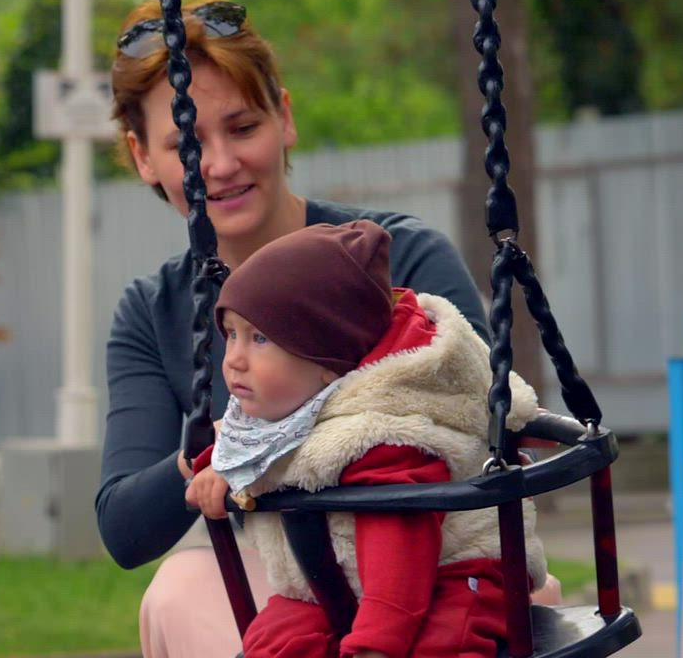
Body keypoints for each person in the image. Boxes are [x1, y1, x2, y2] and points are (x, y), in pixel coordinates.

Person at [96, 0, 560, 658]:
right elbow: (125, 528)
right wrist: (222, 448)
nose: (220, 164)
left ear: (283, 118)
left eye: (242, 127)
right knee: (178, 593)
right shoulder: (154, 311)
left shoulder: (395, 258)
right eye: (186, 144)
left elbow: (485, 425)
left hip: (440, 571)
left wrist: (280, 433)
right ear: (144, 157)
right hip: (294, 584)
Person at [183, 220, 546, 658]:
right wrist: (222, 466)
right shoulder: (288, 396)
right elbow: (265, 442)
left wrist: (377, 643)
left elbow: (399, 548)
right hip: (330, 581)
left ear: (327, 360)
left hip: (452, 570)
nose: (234, 360)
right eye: (231, 335)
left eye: (259, 338)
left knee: (443, 641)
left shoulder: (385, 434)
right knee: (274, 642)